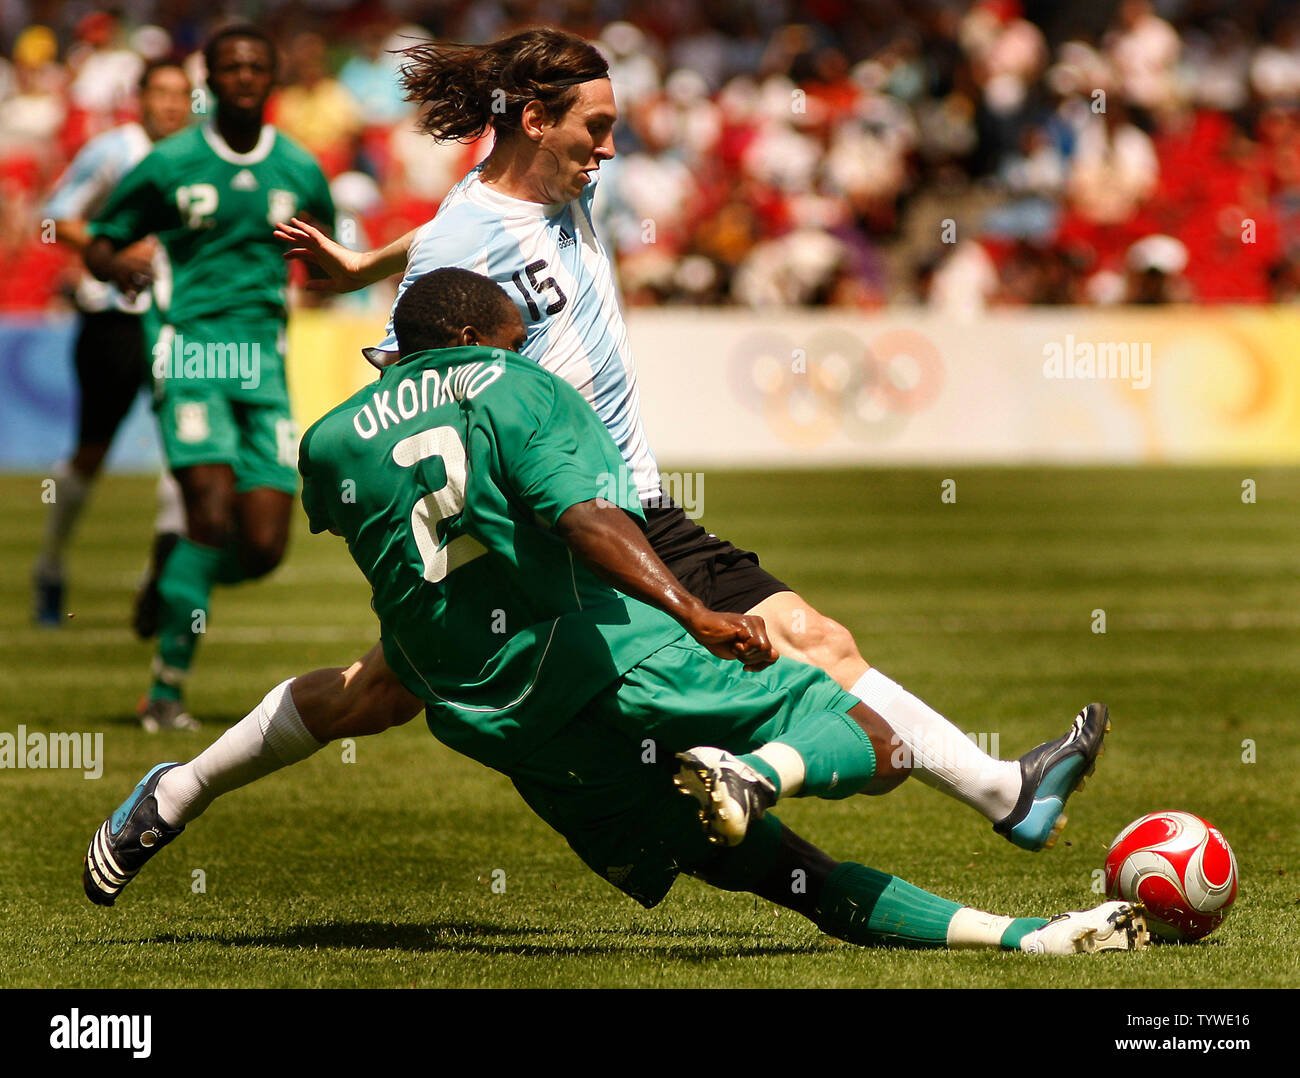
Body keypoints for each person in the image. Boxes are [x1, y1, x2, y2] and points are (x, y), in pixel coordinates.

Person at [83, 270, 1147, 957]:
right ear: (478, 335)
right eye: (514, 335)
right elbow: (588, 517)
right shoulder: (518, 386)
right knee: (868, 736)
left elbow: (396, 539)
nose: (525, 348)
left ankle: (1030, 942)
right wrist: (691, 609)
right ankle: (757, 772)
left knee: (777, 873)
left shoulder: (329, 439)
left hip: (492, 715)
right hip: (605, 657)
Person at [272, 26, 1105, 854]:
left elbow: (452, 228)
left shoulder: (553, 186)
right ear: (533, 120)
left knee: (811, 642)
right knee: (386, 693)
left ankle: (1004, 792)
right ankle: (786, 790)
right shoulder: (469, 232)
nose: (610, 148)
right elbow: (422, 363)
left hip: (623, 500)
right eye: (596, 127)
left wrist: (362, 264)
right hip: (576, 515)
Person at [84, 25, 335, 731]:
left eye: (256, 66)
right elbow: (100, 243)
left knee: (263, 547)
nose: (244, 76)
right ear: (211, 82)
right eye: (231, 66)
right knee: (209, 510)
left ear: (272, 79)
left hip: (264, 366)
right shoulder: (170, 164)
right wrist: (119, 265)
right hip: (191, 354)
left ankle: (171, 578)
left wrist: (331, 280)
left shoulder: (299, 167)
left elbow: (327, 256)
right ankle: (166, 691)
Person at [31, 57, 191, 629]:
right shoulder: (112, 151)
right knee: (91, 452)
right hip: (112, 320)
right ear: (139, 98)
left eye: (182, 93)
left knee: (186, 449)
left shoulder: (201, 156)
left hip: (179, 321)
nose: (171, 104)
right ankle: (50, 564)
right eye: (161, 92)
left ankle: (159, 582)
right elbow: (54, 218)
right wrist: (112, 248)